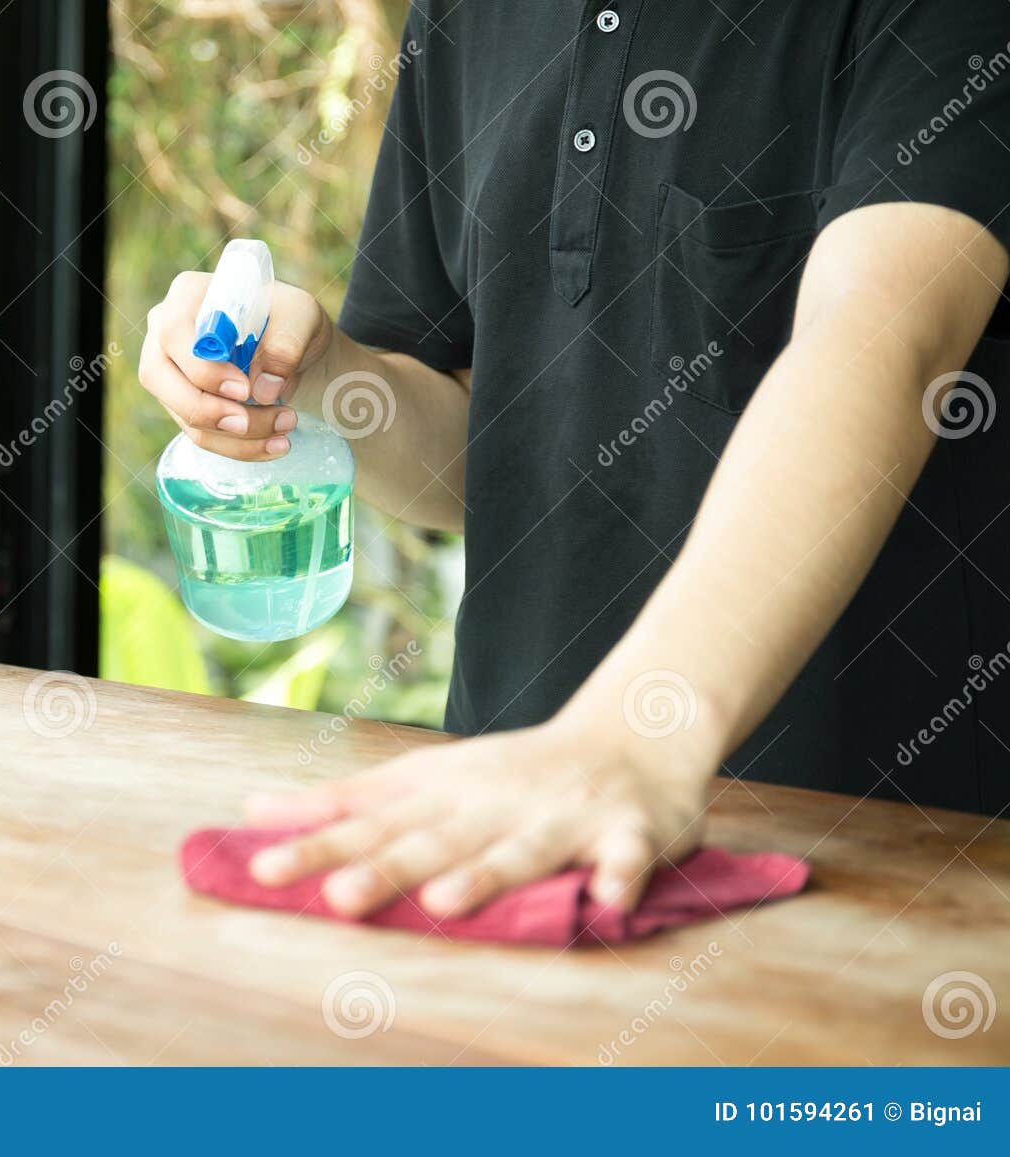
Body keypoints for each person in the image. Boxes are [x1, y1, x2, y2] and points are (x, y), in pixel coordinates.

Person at [138, 1, 1010, 920]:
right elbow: (482, 455)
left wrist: (635, 733)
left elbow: (881, 341)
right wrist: (325, 375)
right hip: (506, 834)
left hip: (882, 855)